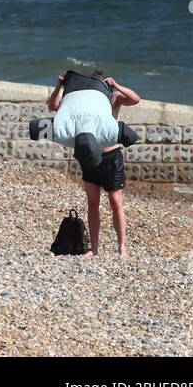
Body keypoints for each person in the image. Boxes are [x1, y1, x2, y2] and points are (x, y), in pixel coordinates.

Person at [46, 70, 140, 257]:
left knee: (116, 202)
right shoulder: (76, 101)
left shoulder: (112, 97)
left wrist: (116, 85)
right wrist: (61, 86)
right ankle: (95, 248)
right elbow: (53, 106)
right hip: (89, 156)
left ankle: (122, 246)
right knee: (93, 203)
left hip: (111, 155)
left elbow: (136, 99)